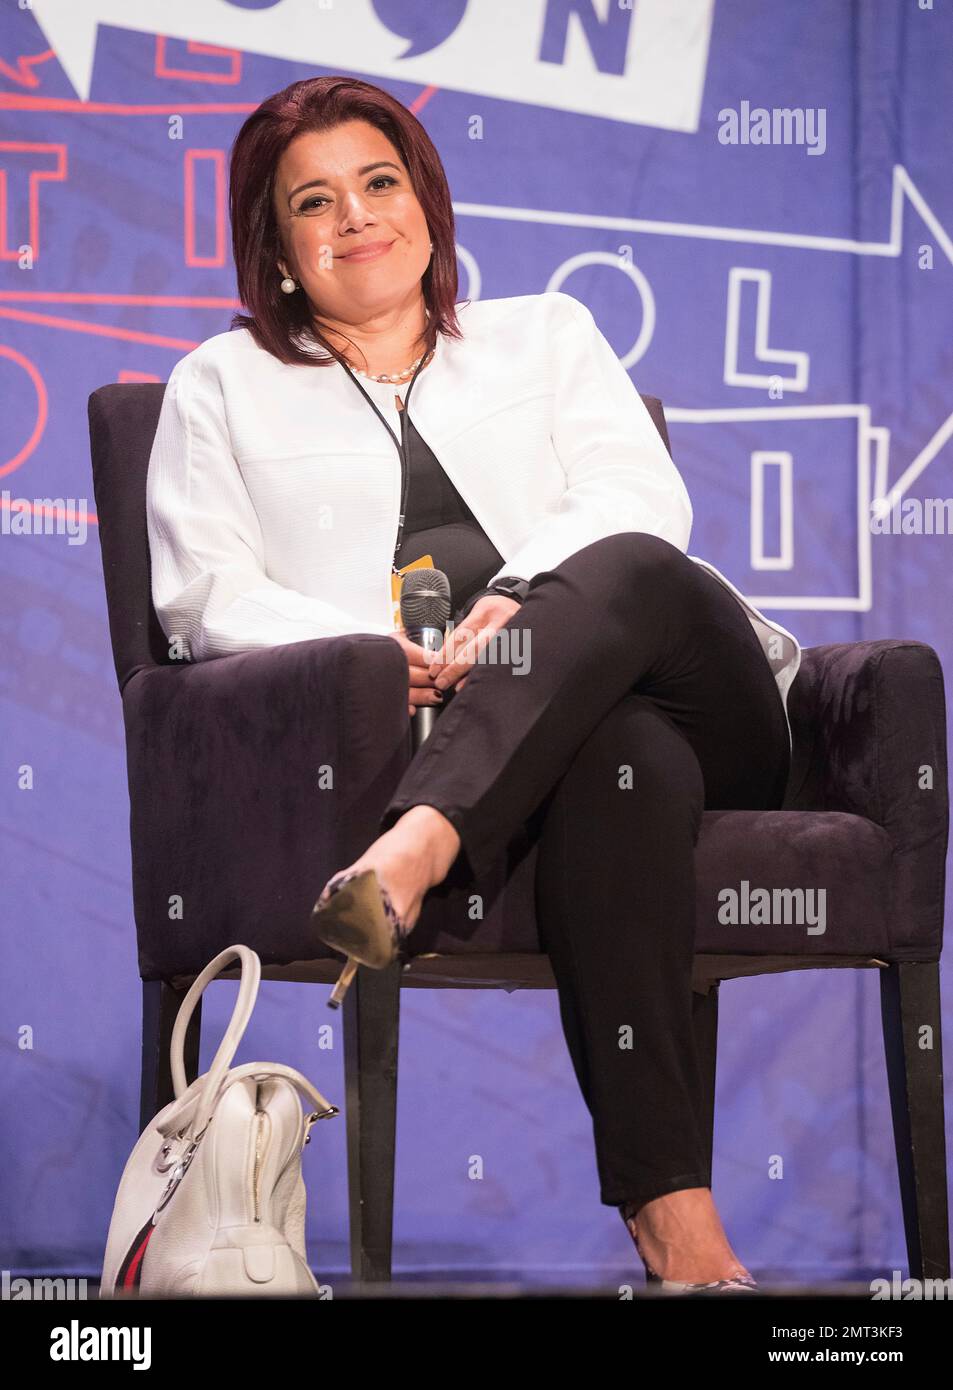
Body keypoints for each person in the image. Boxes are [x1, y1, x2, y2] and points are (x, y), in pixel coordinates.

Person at [146, 75, 802, 1293]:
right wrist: (364, 644)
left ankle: (415, 848)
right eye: (314, 203)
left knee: (631, 570)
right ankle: (680, 1234)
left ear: (428, 207)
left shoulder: (545, 333)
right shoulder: (219, 386)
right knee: (623, 762)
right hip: (532, 750)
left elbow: (638, 504)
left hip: (701, 696)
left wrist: (522, 602)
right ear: (277, 251)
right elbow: (199, 594)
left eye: (379, 183)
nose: (356, 218)